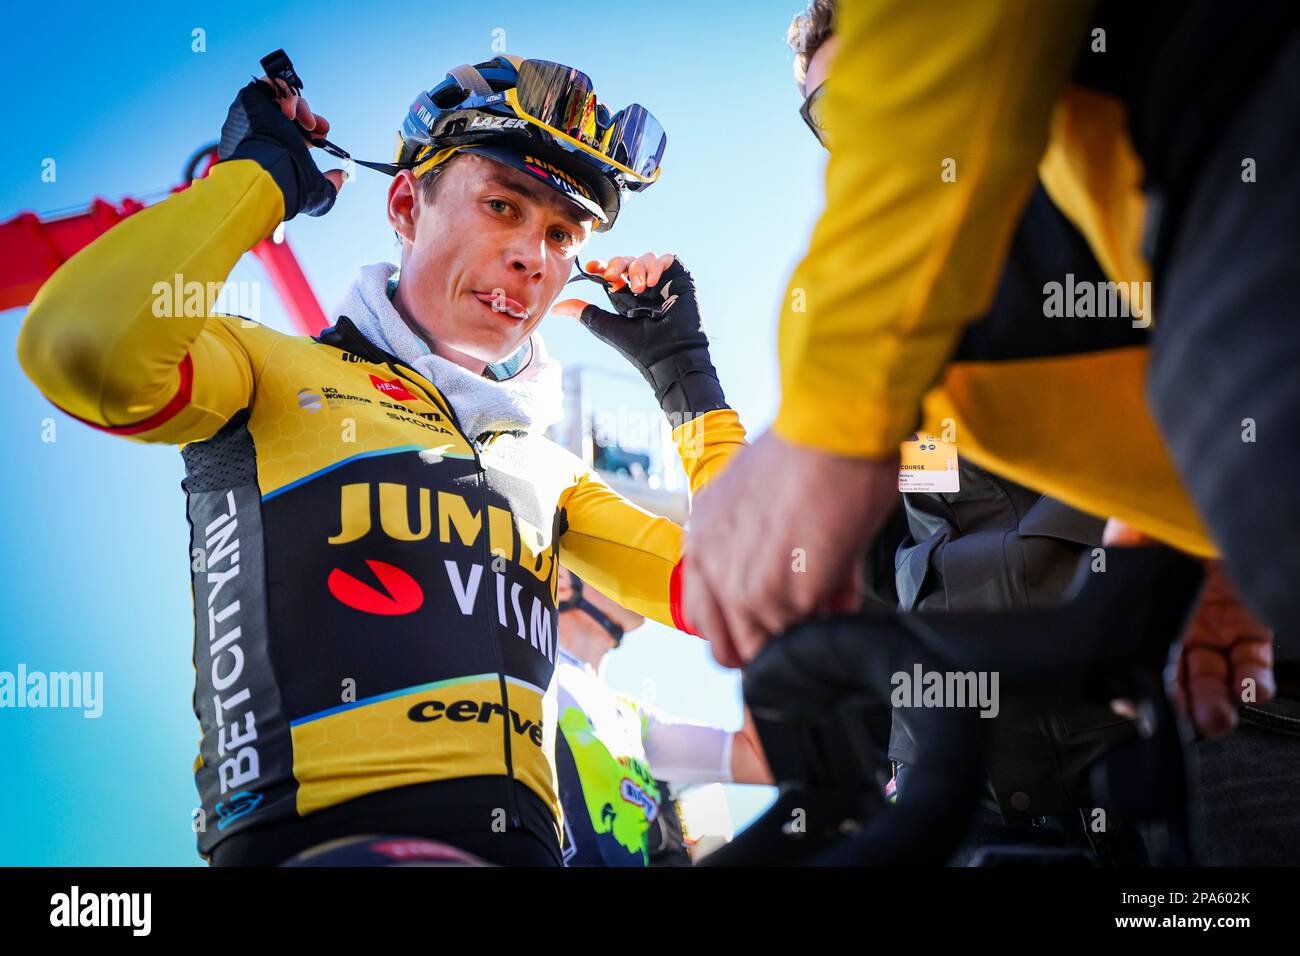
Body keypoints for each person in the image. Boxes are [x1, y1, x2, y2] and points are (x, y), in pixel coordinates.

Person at [17, 55, 748, 866]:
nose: (533, 258)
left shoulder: (542, 470)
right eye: (503, 205)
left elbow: (754, 593)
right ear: (404, 204)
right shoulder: (271, 371)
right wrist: (252, 184)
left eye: (560, 235)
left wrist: (686, 376)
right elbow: (81, 351)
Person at [686, 0, 1299, 746]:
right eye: (826, 113)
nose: (865, 131)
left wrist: (832, 417)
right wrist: (1196, 534)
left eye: (873, 87)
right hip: (1028, 753)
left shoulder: (870, 343)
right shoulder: (1089, 226)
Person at [552, 567, 771, 866]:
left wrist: (753, 630)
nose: (631, 570)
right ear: (563, 581)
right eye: (603, 560)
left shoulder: (632, 716)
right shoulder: (537, 673)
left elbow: (759, 762)